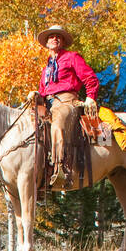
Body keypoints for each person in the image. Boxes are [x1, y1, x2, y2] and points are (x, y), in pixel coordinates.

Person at [33, 25, 99, 178]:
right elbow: (43, 91)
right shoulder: (46, 69)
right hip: (47, 104)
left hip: (67, 101)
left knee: (58, 121)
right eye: (51, 36)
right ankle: (37, 171)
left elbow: (90, 78)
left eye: (58, 36)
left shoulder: (72, 57)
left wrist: (91, 97)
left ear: (62, 42)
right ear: (47, 43)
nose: (55, 38)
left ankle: (61, 168)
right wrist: (36, 94)